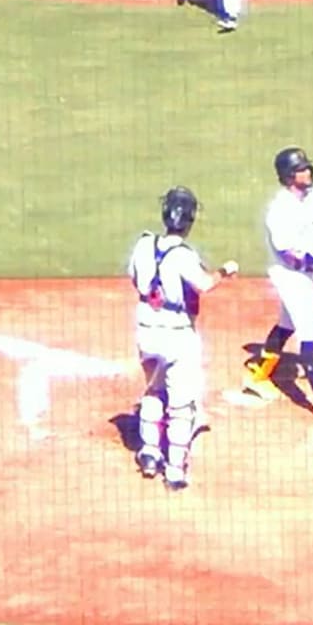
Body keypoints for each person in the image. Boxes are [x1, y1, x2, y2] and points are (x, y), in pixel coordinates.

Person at [127, 186, 239, 491]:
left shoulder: (143, 244)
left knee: (153, 390)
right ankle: (175, 470)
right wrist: (225, 272)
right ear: (189, 221)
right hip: (178, 336)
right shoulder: (184, 256)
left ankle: (149, 452)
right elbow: (203, 285)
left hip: (146, 329)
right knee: (180, 404)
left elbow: (135, 278)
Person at [241, 146, 313, 424]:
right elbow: (287, 255)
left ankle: (257, 376)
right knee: (309, 330)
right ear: (290, 176)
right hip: (288, 274)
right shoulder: (278, 210)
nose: (308, 172)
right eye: (302, 169)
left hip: (308, 274)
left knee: (287, 323)